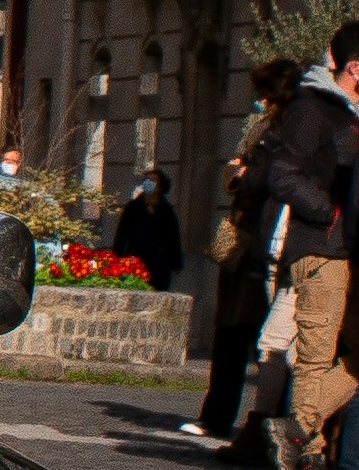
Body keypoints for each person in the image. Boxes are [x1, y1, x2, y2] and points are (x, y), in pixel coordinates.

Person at [247, 21, 359, 470]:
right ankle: (306, 457)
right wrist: (331, 214)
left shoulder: (351, 112)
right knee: (316, 354)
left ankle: (293, 433)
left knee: (354, 354)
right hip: (322, 248)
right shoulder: (316, 110)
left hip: (349, 248)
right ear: (356, 67)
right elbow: (283, 174)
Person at [188, 55, 303, 442]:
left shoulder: (292, 127)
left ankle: (267, 422)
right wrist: (238, 174)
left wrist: (246, 175)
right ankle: (222, 415)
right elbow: (235, 174)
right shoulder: (262, 126)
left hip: (270, 241)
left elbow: (269, 179)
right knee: (233, 333)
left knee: (270, 339)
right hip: (243, 241)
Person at [109, 164, 183, 294]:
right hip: (136, 261)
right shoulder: (133, 207)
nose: (148, 183)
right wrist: (116, 258)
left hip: (159, 265)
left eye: (152, 180)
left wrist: (176, 263)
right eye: (146, 180)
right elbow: (121, 234)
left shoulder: (166, 211)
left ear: (160, 187)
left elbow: (173, 238)